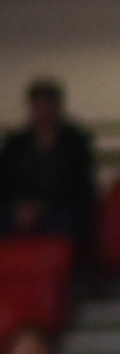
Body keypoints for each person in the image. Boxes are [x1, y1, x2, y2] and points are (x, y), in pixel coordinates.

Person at [0, 78, 95, 243]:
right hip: (20, 206)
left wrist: (42, 207)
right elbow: (5, 180)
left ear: (57, 108)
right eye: (38, 106)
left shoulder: (75, 142)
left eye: (47, 106)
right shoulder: (15, 143)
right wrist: (20, 206)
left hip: (60, 206)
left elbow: (80, 184)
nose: (43, 112)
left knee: (63, 221)